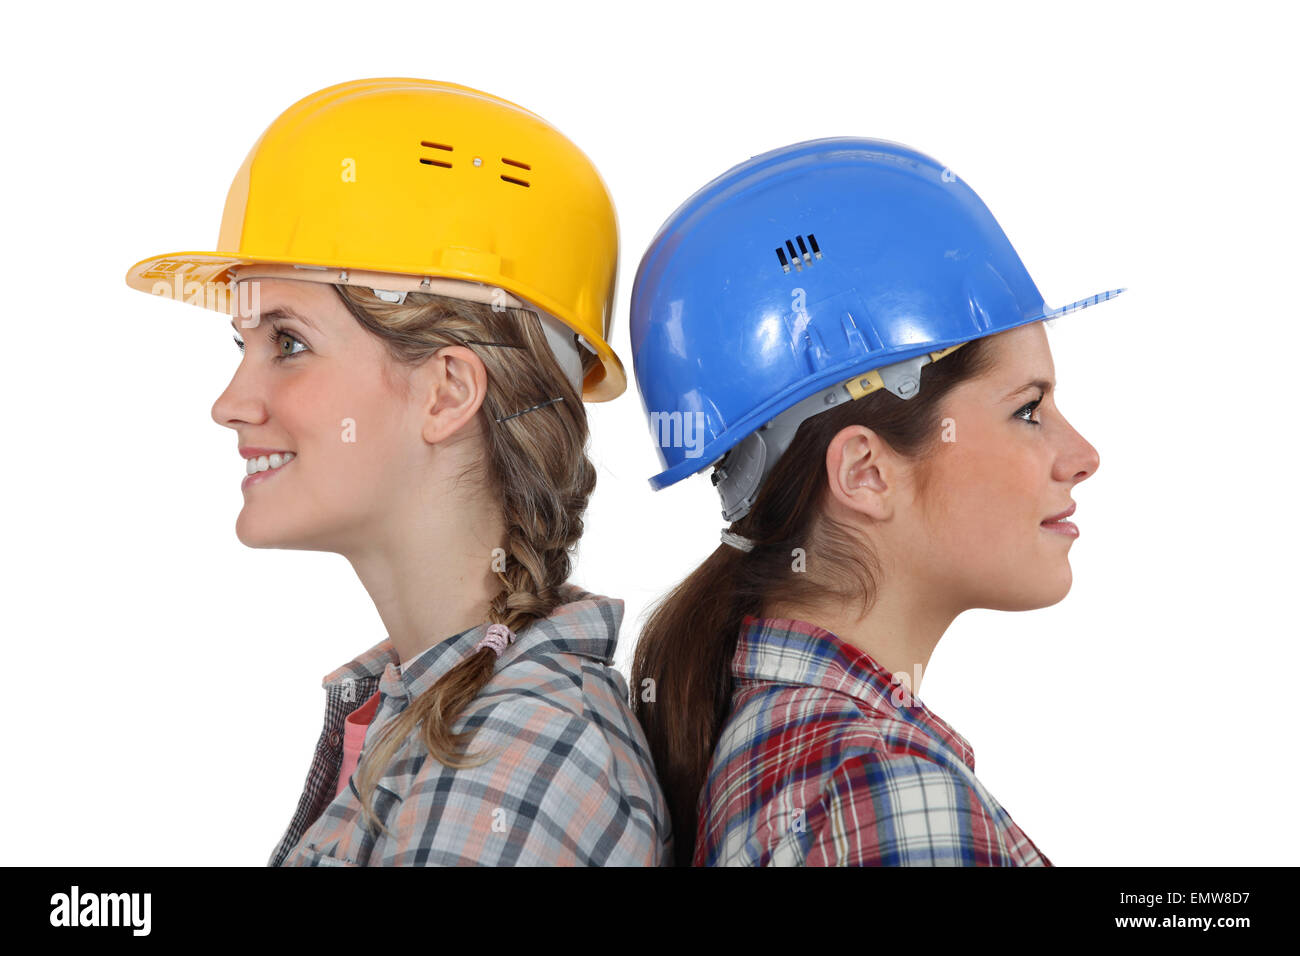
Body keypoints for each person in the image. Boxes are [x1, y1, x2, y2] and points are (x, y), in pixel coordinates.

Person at [124, 77, 670, 866]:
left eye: (288, 342)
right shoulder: (419, 713)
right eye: (240, 347)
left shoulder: (510, 759)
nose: (231, 404)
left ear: (447, 391)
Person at [627, 137, 1124, 866]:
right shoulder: (883, 792)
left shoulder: (784, 748)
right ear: (865, 471)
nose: (1083, 458)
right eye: (1027, 409)